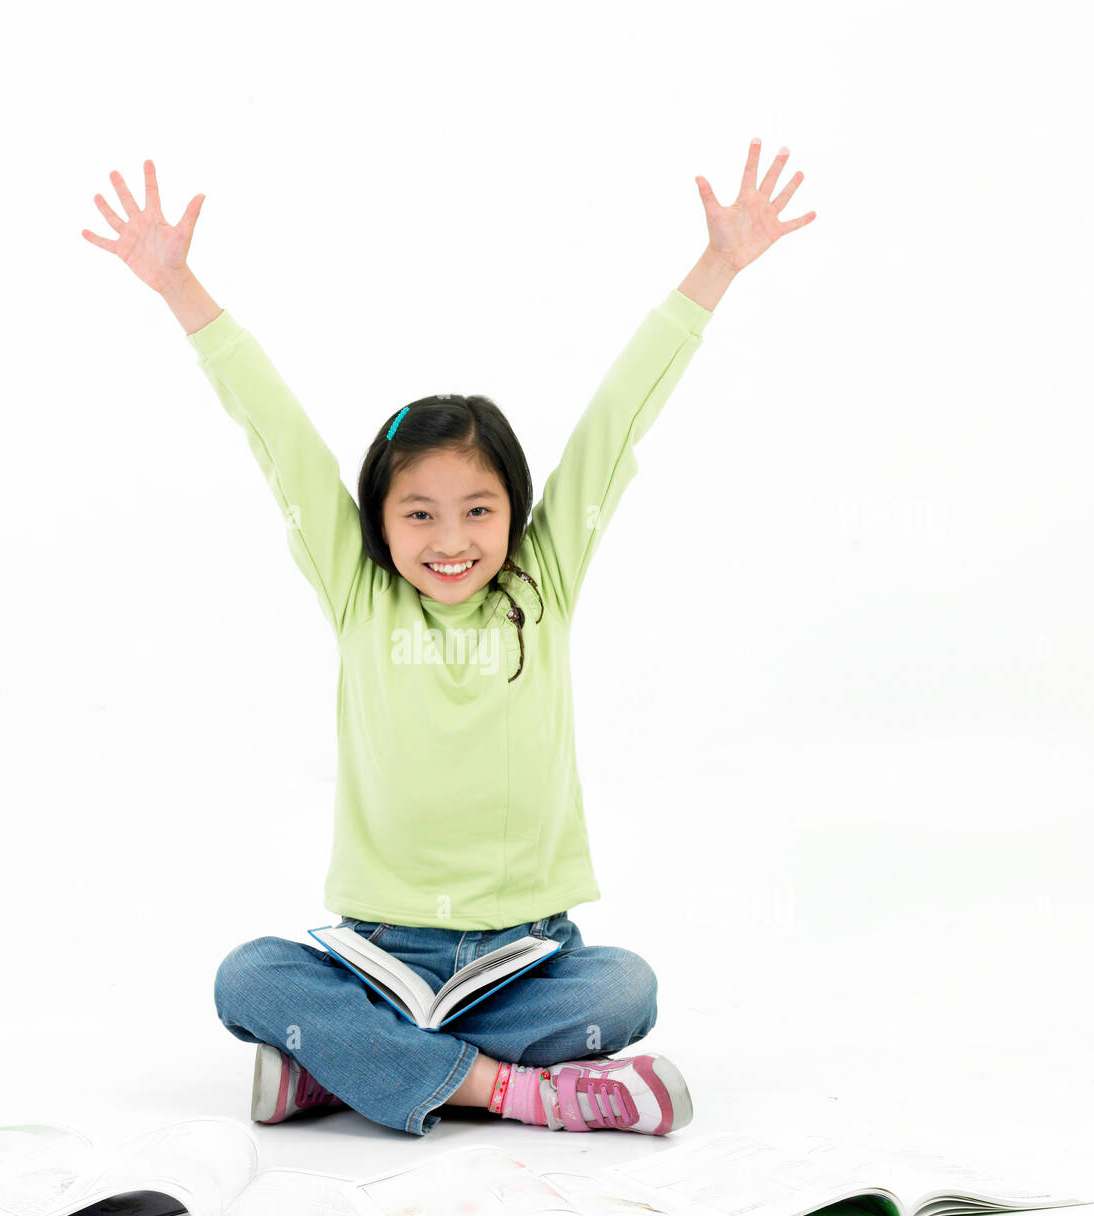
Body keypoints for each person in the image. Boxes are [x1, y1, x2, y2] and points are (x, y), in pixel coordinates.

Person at [82, 140, 816, 1137]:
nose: (450, 539)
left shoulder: (542, 583)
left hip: (523, 955)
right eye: (418, 514)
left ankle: (344, 1068)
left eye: (476, 510)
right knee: (247, 977)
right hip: (377, 951)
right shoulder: (358, 594)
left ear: (513, 511)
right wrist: (180, 288)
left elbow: (614, 420)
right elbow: (278, 435)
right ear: (378, 522)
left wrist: (716, 269)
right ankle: (512, 1092)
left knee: (624, 991)